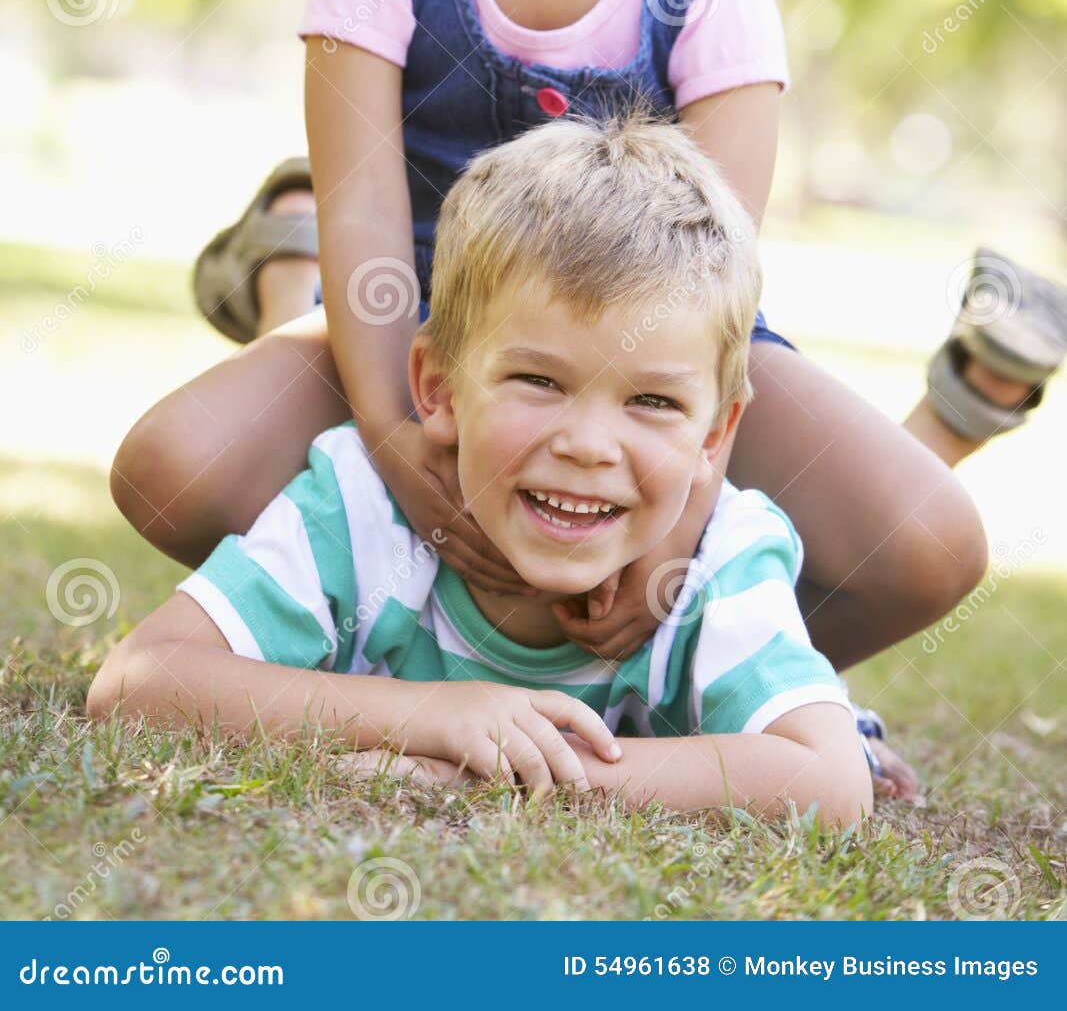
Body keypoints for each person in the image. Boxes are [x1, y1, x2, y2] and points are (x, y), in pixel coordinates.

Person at [109, 0, 1067, 798]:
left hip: (657, 349)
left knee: (929, 547)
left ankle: (724, 674)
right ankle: (293, 278)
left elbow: (720, 296)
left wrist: (665, 544)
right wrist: (411, 460)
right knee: (168, 466)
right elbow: (380, 277)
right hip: (423, 332)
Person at [90, 114, 873, 827]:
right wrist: (437, 716)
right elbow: (138, 684)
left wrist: (505, 769)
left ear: (716, 435)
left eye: (652, 402)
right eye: (539, 382)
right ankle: (287, 273)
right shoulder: (362, 509)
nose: (589, 446)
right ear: (437, 389)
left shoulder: (720, 559)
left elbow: (829, 783)